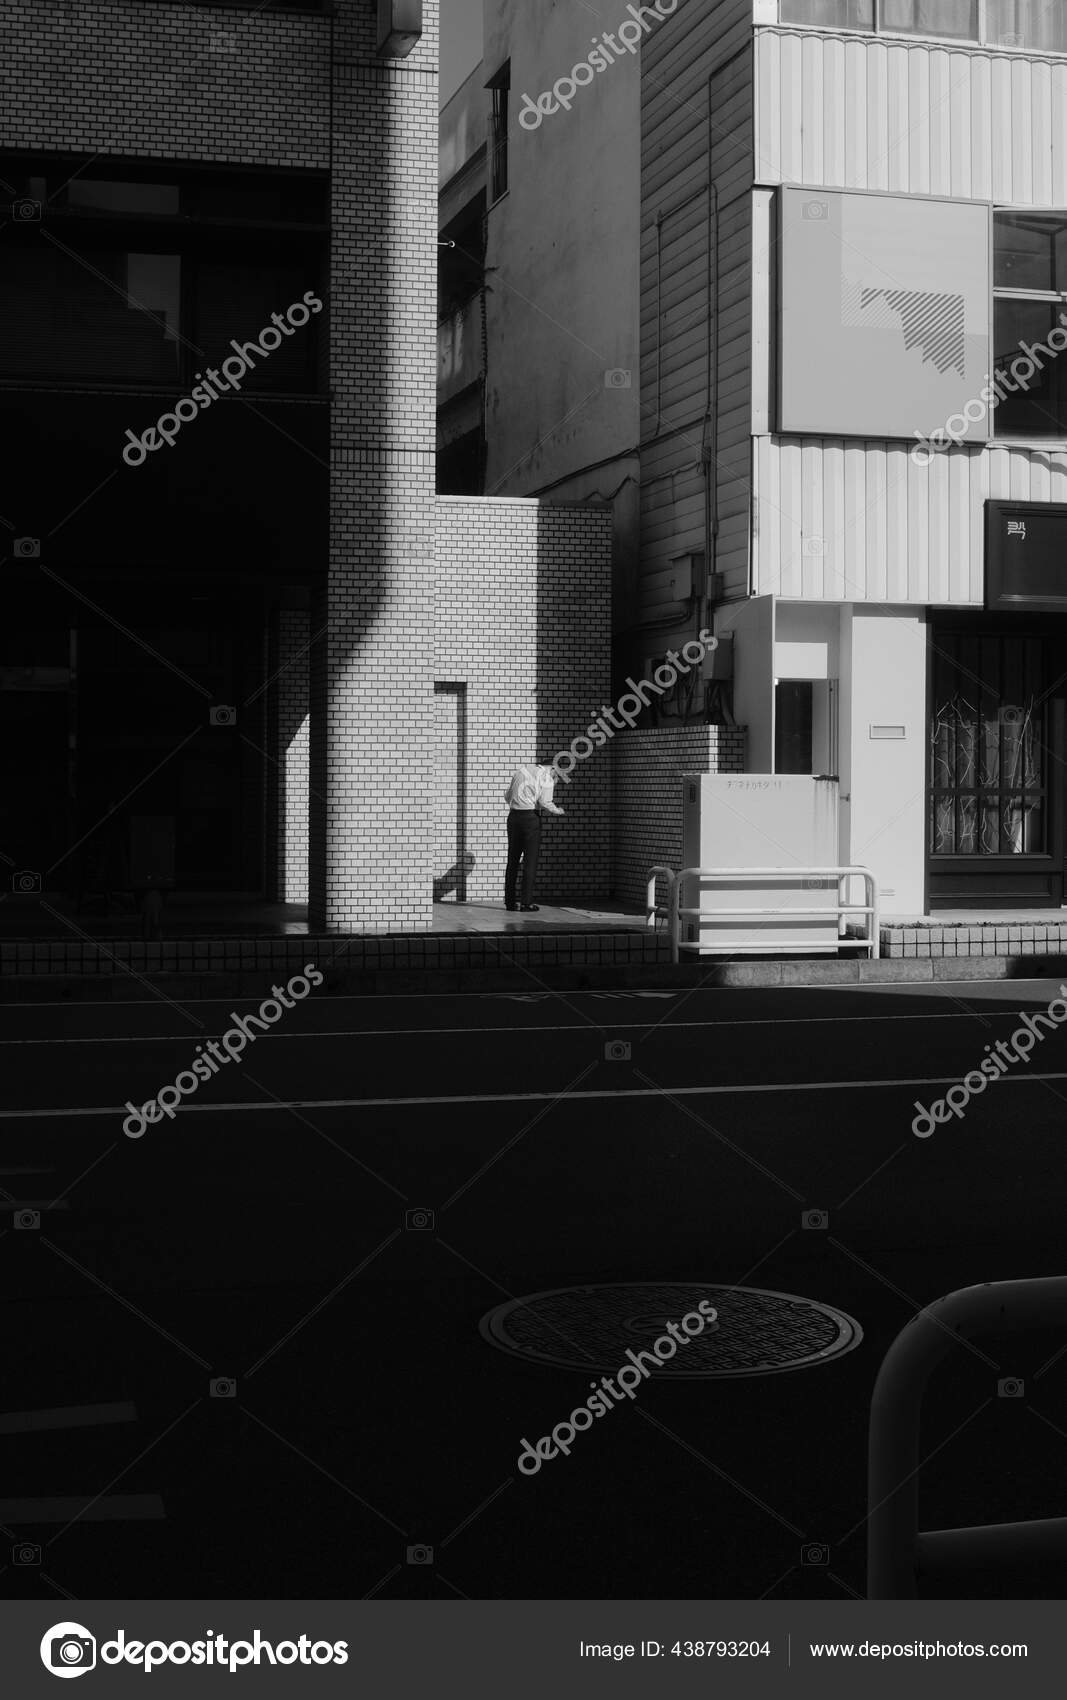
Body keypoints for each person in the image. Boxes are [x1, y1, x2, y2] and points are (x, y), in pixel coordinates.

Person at [504, 762, 565, 912]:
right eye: (557, 779)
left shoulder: (520, 771)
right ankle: (526, 903)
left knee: (512, 861)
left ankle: (510, 902)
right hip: (530, 819)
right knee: (530, 862)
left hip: (513, 817)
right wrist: (558, 811)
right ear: (553, 770)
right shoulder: (546, 777)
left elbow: (507, 796)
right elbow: (545, 802)